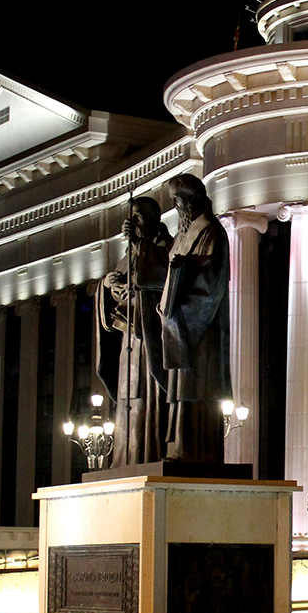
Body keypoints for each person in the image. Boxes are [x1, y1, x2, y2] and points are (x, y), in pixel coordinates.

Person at [157, 174, 231, 463]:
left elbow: (210, 286)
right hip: (179, 326)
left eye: (176, 201)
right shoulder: (183, 235)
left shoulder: (211, 232)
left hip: (200, 330)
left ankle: (194, 449)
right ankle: (179, 446)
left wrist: (178, 312)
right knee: (181, 389)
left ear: (188, 202)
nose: (175, 207)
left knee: (197, 389)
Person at [95, 196, 171, 466]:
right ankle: (126, 457)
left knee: (149, 398)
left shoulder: (165, 249)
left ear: (151, 220)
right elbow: (117, 292)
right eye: (129, 219)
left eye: (137, 218)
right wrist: (107, 285)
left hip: (150, 338)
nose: (130, 224)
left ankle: (149, 452)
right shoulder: (130, 253)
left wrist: (136, 292)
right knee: (128, 399)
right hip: (129, 339)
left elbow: (164, 287)